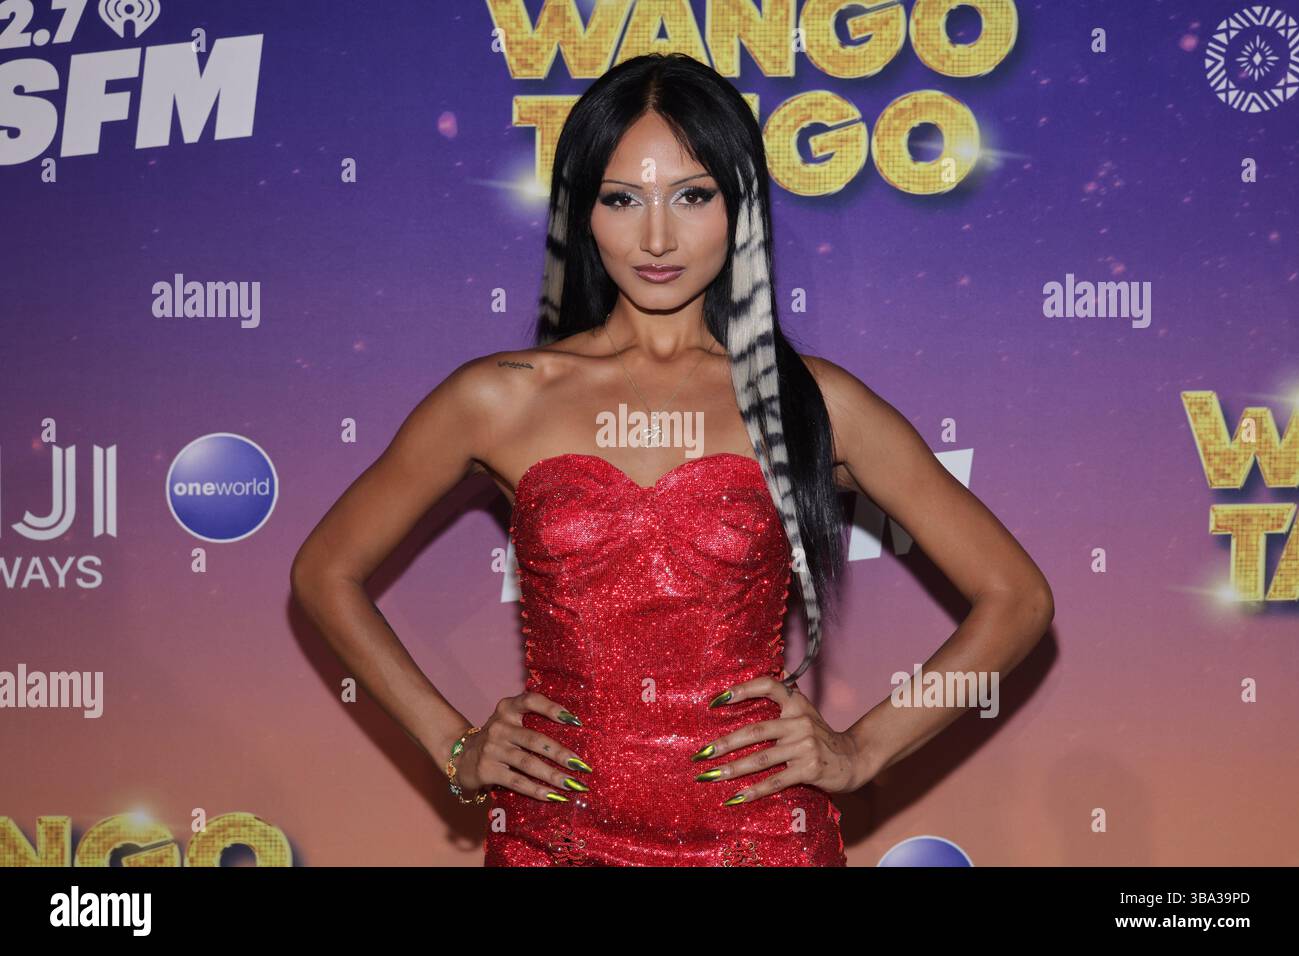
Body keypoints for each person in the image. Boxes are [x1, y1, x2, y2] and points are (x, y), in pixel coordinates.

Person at [289, 53, 1054, 866]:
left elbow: (1016, 598)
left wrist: (861, 751)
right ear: (582, 212)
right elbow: (324, 572)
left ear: (741, 207)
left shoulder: (811, 402)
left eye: (692, 196)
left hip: (757, 840)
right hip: (556, 838)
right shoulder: (500, 398)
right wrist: (454, 745)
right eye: (623, 199)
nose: (657, 236)